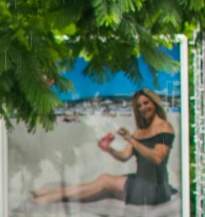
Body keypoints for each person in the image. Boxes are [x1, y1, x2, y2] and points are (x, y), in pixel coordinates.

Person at [31, 88, 175, 210]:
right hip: (140, 180)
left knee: (105, 181)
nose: (143, 108)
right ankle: (52, 192)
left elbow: (158, 157)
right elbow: (125, 156)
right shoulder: (140, 131)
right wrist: (109, 149)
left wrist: (131, 140)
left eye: (146, 103)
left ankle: (54, 197)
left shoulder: (164, 127)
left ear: (154, 102)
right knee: (101, 179)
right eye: (139, 106)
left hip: (155, 189)